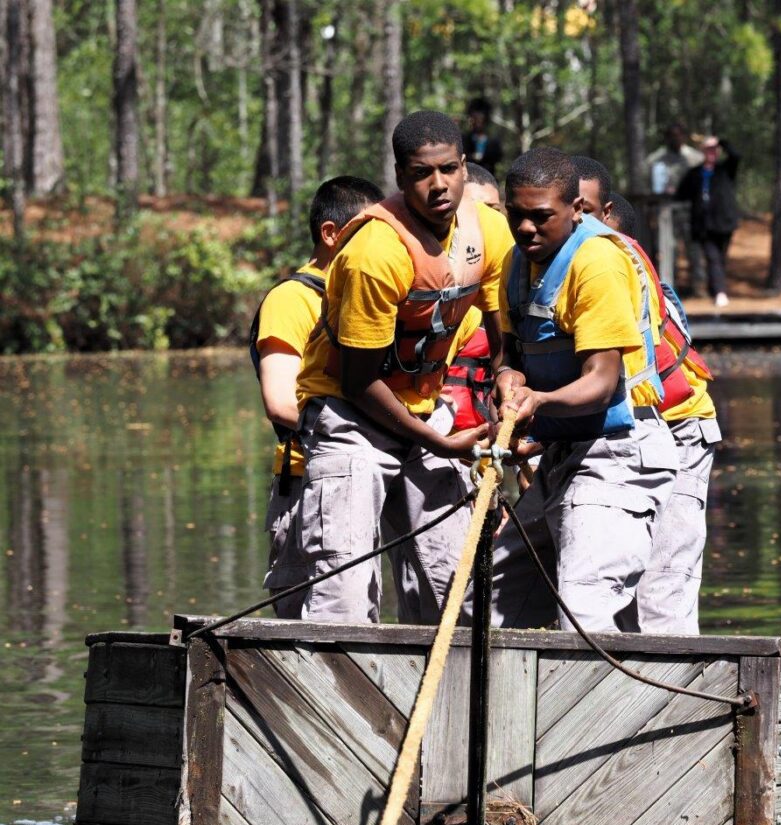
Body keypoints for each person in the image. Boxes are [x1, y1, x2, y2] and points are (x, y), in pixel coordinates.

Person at [292, 110, 513, 623]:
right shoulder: (375, 251)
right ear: (400, 176)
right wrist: (438, 442)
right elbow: (358, 379)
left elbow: (505, 337)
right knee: (343, 593)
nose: (438, 185)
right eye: (421, 173)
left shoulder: (490, 231)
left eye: (449, 170)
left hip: (423, 411)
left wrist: (506, 385)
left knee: (456, 590)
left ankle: (445, 699)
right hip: (350, 417)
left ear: (464, 166)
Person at [489, 147, 679, 633]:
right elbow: (512, 353)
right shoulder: (517, 262)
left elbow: (601, 382)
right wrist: (508, 378)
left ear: (576, 210)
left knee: (584, 606)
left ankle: (622, 709)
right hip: (563, 453)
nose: (527, 228)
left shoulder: (596, 262)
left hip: (619, 454)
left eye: (542, 217)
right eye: (517, 216)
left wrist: (541, 401)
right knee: (488, 606)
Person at [578, 185, 721, 635]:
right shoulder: (555, 270)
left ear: (607, 215)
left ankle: (679, 702)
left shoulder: (619, 269)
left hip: (681, 427)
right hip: (617, 439)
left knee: (662, 593)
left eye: (583, 212)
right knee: (607, 589)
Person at [249, 175, 383, 618]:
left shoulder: (366, 299)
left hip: (360, 483)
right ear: (331, 235)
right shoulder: (293, 299)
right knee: (307, 624)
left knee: (362, 612)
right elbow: (282, 400)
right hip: (306, 485)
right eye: (369, 233)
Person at [675, 136, 740, 308]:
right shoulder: (695, 173)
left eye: (714, 150)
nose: (711, 153)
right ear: (703, 152)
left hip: (724, 223)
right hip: (703, 225)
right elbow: (682, 193)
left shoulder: (725, 169)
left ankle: (715, 289)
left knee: (720, 258)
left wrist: (721, 141)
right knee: (713, 258)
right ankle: (720, 292)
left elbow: (735, 155)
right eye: (708, 150)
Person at [644, 123, 705, 295]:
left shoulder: (695, 158)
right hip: (665, 211)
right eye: (672, 135)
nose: (675, 138)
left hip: (690, 210)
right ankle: (670, 287)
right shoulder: (655, 160)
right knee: (668, 249)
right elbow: (650, 186)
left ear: (684, 136)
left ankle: (698, 287)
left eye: (679, 135)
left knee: (694, 248)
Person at [463, 97, 503, 175]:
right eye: (474, 119)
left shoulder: (493, 142)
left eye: (480, 120)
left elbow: (498, 157)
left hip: (489, 178)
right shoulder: (465, 139)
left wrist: (483, 157)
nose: (477, 123)